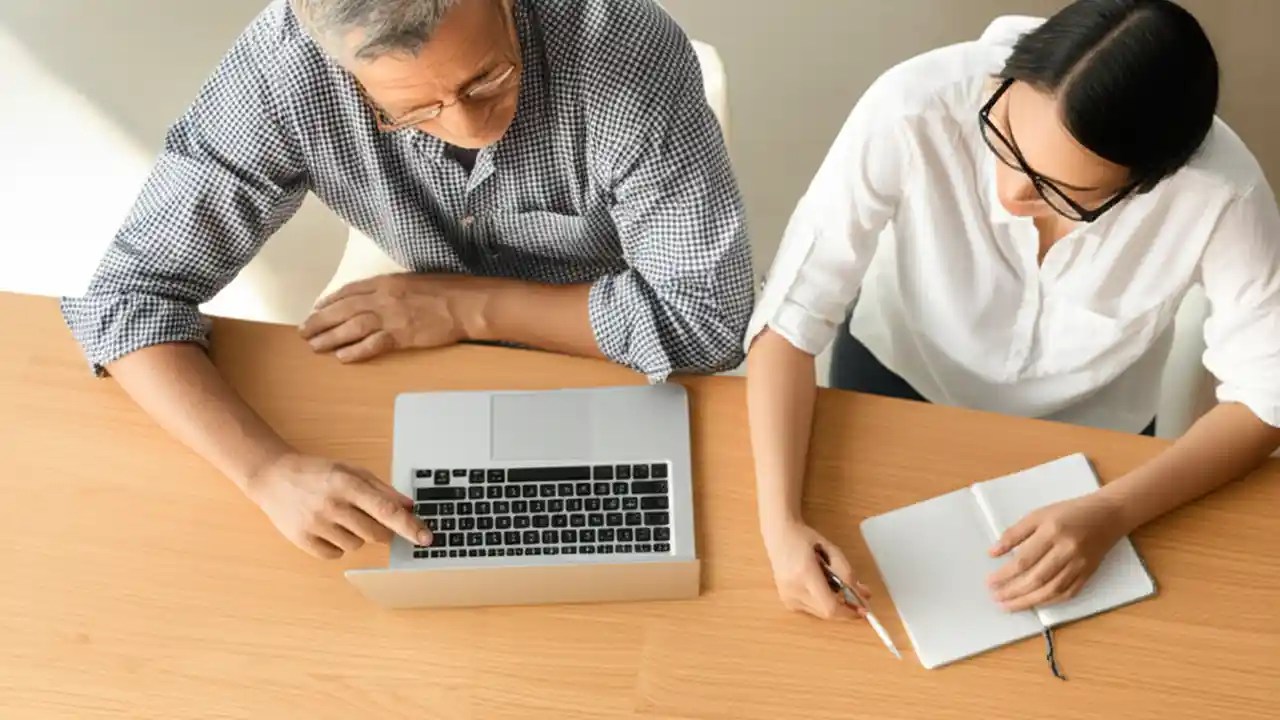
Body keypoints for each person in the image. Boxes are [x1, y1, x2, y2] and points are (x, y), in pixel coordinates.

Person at [62, 0, 753, 560]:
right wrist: (265, 471)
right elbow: (128, 300)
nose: (468, 126)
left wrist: (468, 309)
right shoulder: (285, 67)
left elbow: (706, 324)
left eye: (487, 78)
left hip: (608, 341)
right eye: (413, 112)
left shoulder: (623, 44)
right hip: (410, 326)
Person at [747, 0, 1280, 621]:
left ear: (1148, 183)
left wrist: (1114, 510)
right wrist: (780, 522)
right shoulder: (914, 104)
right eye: (1004, 137)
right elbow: (791, 316)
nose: (1011, 191)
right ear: (1007, 78)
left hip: (1090, 434)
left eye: (1061, 193)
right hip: (896, 378)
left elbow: (1267, 396)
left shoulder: (1221, 193)